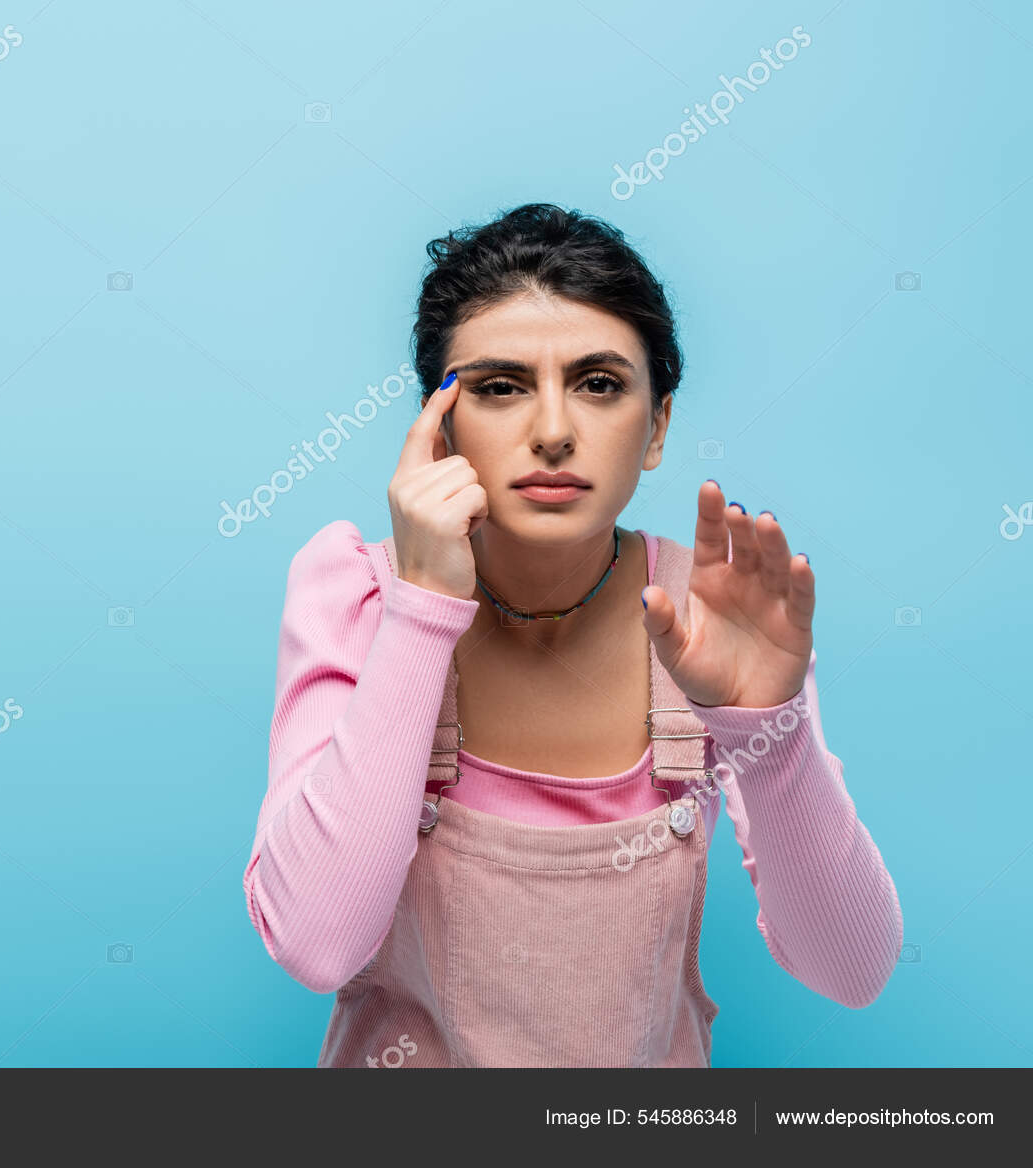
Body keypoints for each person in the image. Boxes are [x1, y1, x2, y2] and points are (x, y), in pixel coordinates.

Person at [240, 203, 902, 1067]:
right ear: (435, 428)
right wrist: (422, 610)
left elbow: (851, 970)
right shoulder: (358, 592)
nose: (553, 432)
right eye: (500, 386)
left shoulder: (715, 609)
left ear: (656, 425)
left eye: (598, 384)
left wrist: (767, 732)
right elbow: (314, 945)